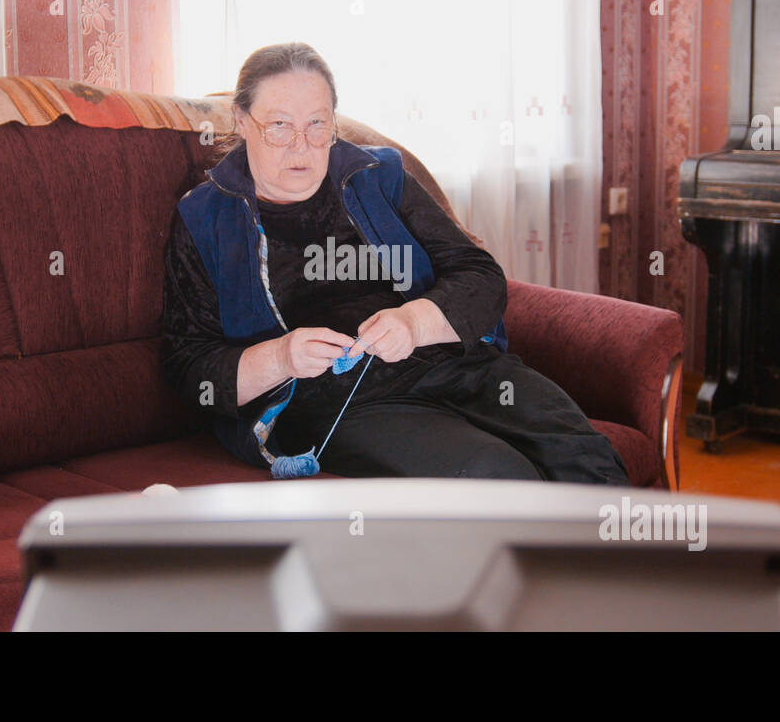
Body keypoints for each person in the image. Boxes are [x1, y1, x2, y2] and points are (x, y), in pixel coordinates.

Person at [161, 42, 629, 485]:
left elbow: (480, 277)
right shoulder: (205, 218)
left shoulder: (376, 177)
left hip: (453, 367)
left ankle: (630, 569)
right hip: (344, 405)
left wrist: (414, 323)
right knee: (494, 474)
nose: (301, 146)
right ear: (242, 121)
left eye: (318, 124)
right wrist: (281, 357)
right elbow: (188, 366)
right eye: (279, 125)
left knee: (587, 457)